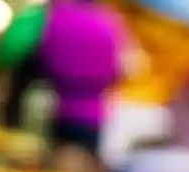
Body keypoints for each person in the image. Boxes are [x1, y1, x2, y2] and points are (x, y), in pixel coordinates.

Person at [37, 0, 124, 158]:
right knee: (85, 168)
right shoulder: (108, 22)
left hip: (60, 108)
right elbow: (116, 71)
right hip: (93, 114)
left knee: (57, 168)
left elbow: (45, 58)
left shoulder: (56, 18)